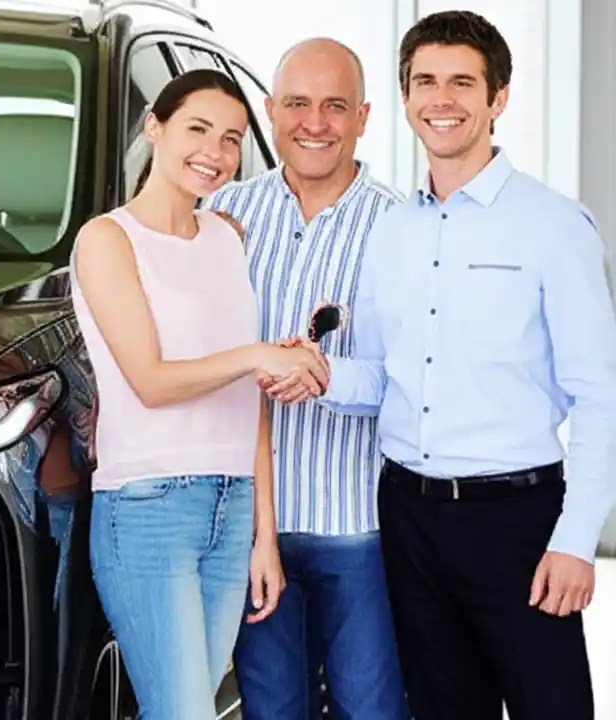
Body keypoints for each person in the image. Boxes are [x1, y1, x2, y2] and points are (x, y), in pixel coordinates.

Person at [269, 10, 616, 719]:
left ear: (499, 98)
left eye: (463, 82)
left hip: (515, 520)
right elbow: (379, 375)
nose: (442, 99)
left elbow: (601, 395)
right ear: (404, 100)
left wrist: (577, 541)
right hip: (408, 519)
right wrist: (322, 374)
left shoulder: (554, 225)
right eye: (425, 81)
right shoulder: (392, 230)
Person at [70, 68, 327, 717]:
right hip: (148, 508)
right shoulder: (108, 240)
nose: (215, 152)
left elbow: (252, 401)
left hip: (231, 505)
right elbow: (151, 382)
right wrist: (255, 354)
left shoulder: (227, 237)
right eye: (198, 129)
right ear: (153, 127)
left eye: (232, 139)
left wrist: (263, 535)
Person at [200, 38, 410, 719]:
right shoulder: (222, 218)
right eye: (297, 104)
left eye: (334, 106)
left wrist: (325, 377)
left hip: (359, 530)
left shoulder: (400, 226)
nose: (314, 123)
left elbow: (415, 380)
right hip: (249, 526)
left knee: (371, 710)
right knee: (270, 710)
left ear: (364, 117)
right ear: (270, 111)